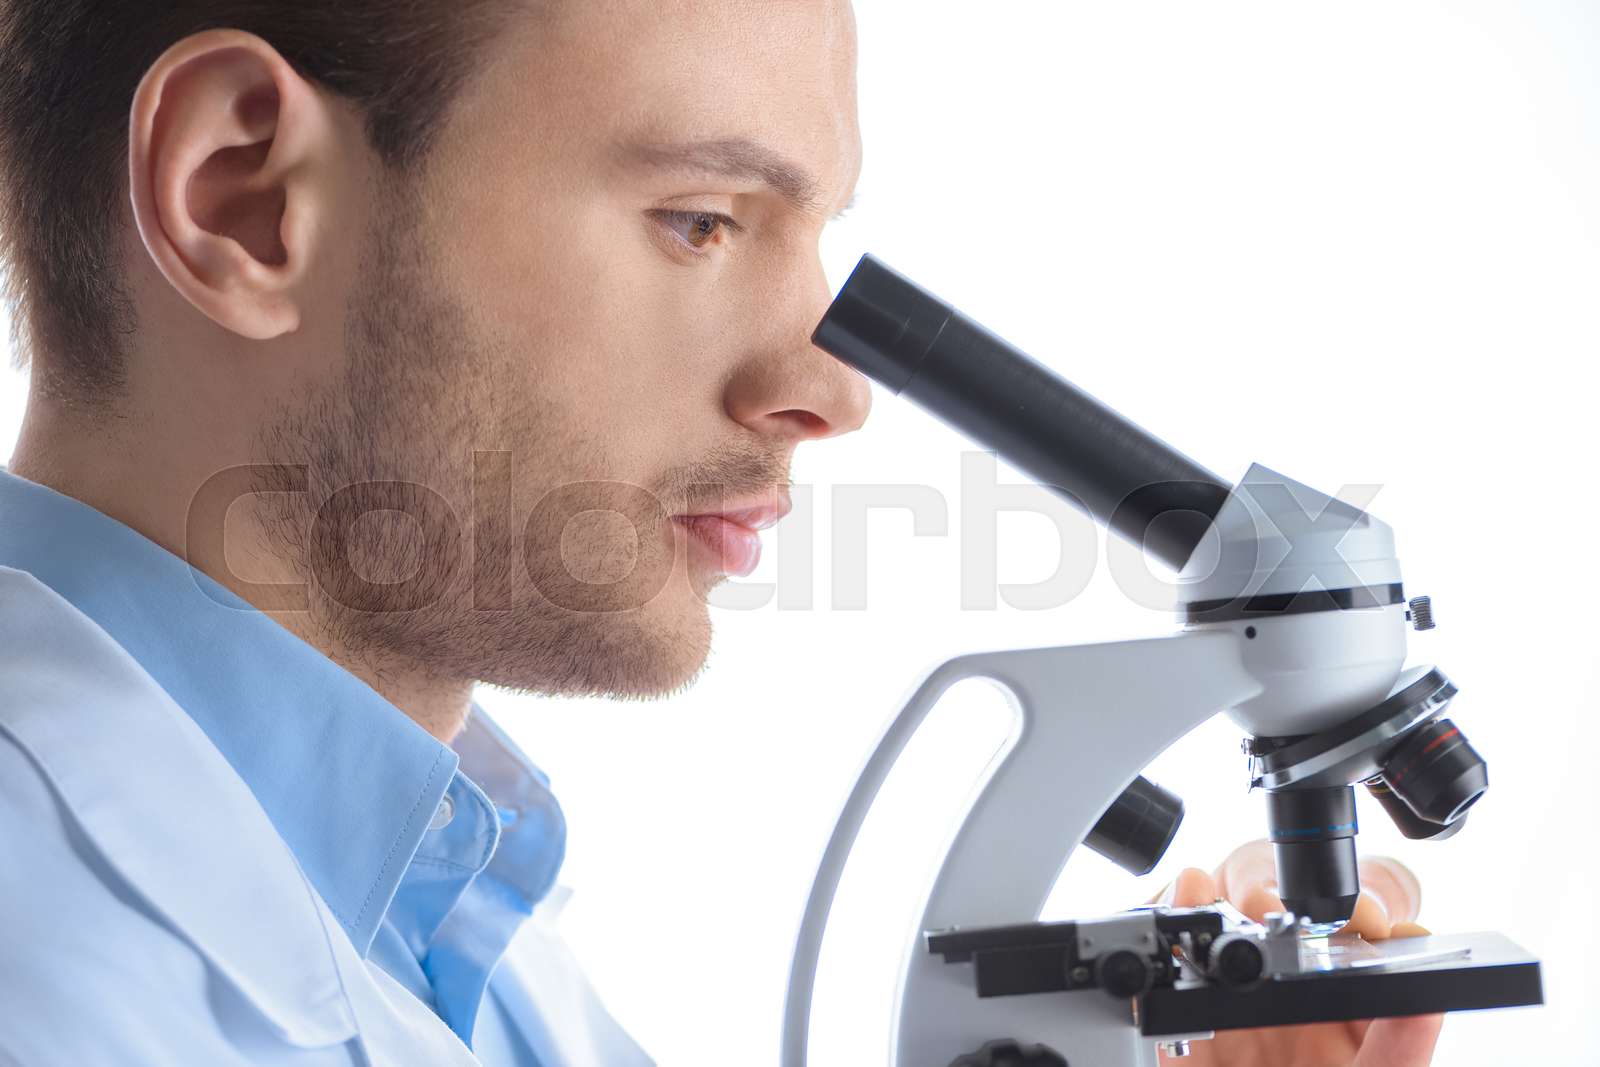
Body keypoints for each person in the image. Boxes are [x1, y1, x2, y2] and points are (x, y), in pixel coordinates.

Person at [0, 1, 1442, 1064]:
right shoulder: (52, 982)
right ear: (242, 199)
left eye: (806, 240)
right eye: (701, 221)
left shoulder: (442, 927)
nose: (825, 391)